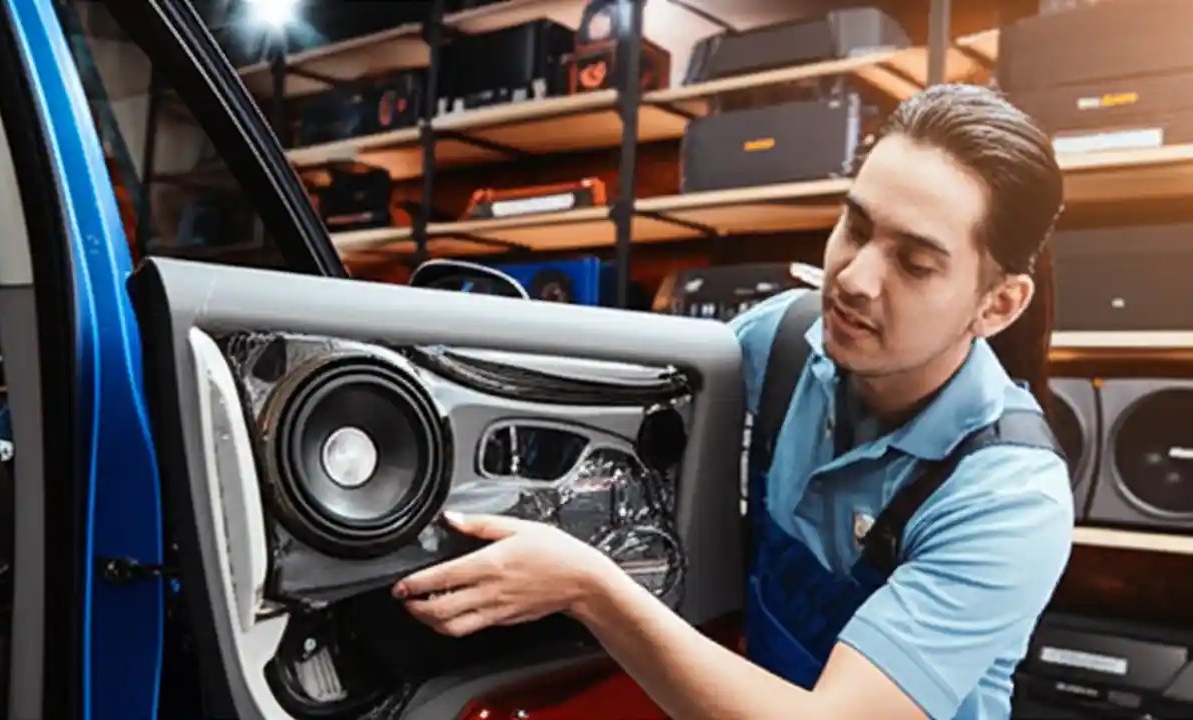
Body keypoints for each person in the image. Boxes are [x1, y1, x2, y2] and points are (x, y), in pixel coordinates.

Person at [391, 83, 1075, 720]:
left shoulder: (1008, 496)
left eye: (915, 264)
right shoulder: (773, 345)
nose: (856, 278)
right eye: (857, 227)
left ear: (999, 303)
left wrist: (587, 587)